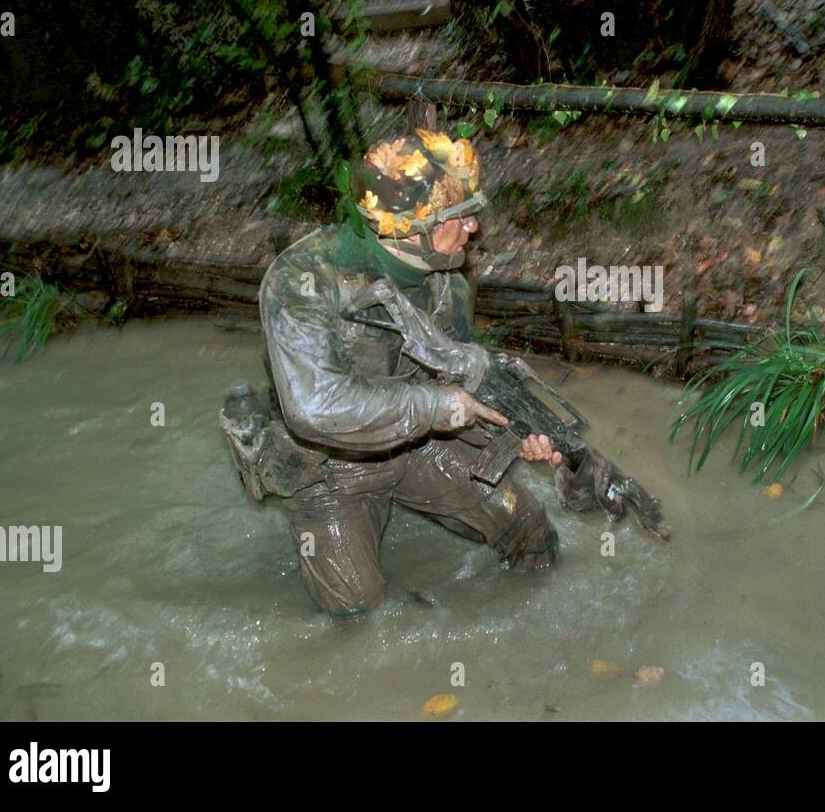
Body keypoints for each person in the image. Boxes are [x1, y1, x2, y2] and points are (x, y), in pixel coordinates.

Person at [223, 129, 583, 618]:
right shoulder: (302, 280)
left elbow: (457, 377)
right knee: (361, 608)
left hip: (418, 443)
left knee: (531, 531)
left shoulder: (448, 278)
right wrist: (441, 408)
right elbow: (314, 409)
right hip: (330, 465)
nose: (475, 228)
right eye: (462, 217)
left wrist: (513, 432)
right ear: (413, 226)